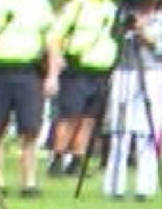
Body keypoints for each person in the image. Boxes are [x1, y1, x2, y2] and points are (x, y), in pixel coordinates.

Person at [0, 0, 60, 197]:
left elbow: (52, 42)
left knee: (30, 129)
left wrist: (52, 75)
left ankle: (28, 182)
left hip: (28, 72)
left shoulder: (40, 6)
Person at [102, 0, 162, 199]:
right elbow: (114, 38)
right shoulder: (124, 13)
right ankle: (114, 185)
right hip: (125, 71)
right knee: (120, 129)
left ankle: (145, 186)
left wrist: (146, 36)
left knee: (148, 131)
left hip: (154, 73)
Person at [45, 0, 117, 177]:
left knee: (89, 119)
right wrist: (56, 59)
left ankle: (77, 159)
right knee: (69, 116)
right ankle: (58, 158)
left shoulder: (111, 8)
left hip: (101, 70)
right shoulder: (77, 6)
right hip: (76, 68)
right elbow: (55, 36)